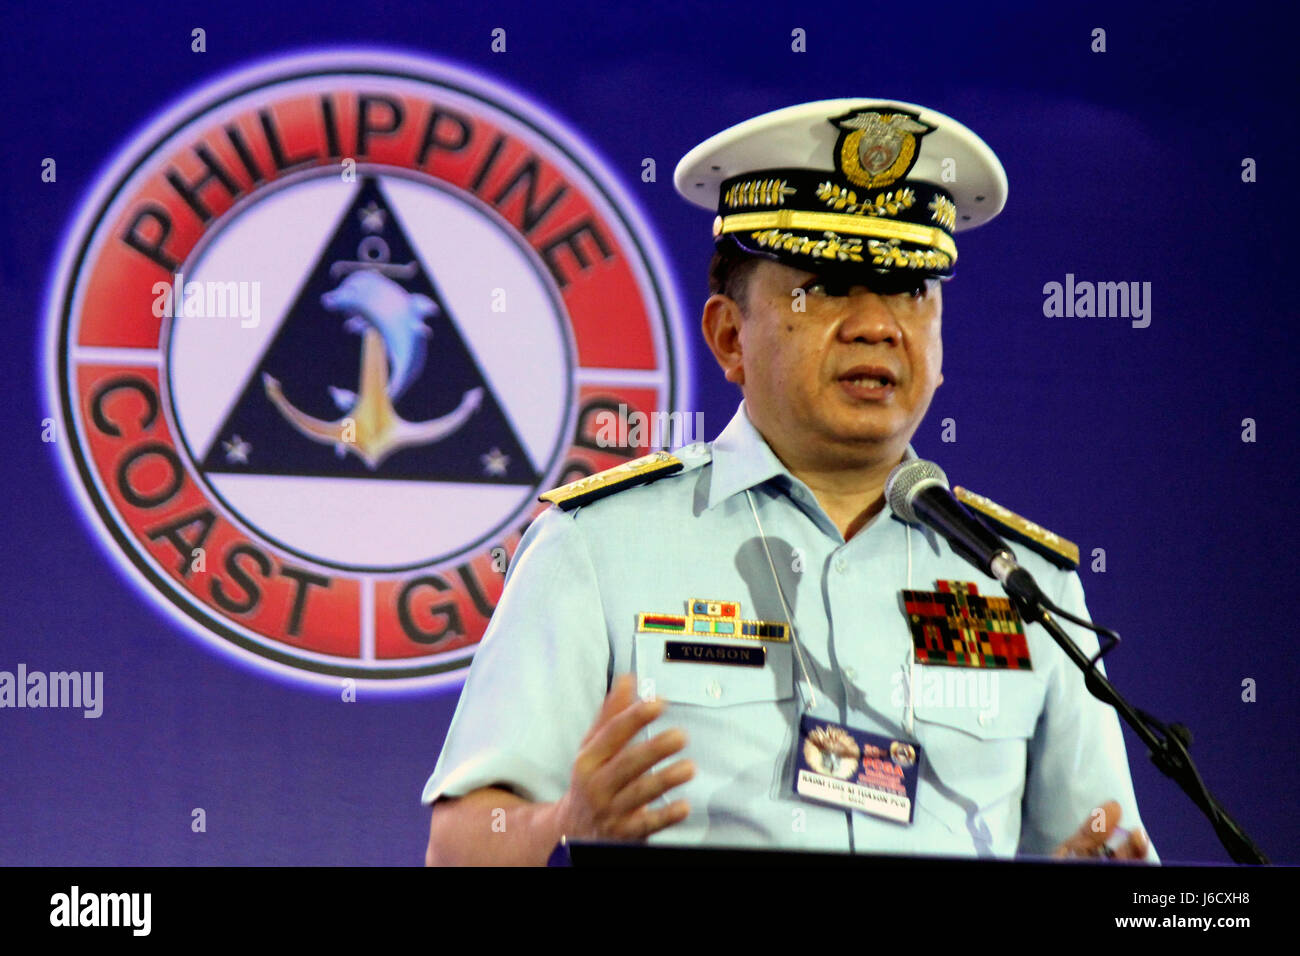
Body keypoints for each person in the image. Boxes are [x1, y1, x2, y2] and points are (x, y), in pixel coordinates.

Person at [422, 99, 1156, 866]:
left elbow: (1105, 846)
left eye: (912, 291)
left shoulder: (1027, 583)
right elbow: (458, 845)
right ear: (729, 337)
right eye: (830, 286)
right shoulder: (595, 546)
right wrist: (566, 822)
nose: (879, 325)